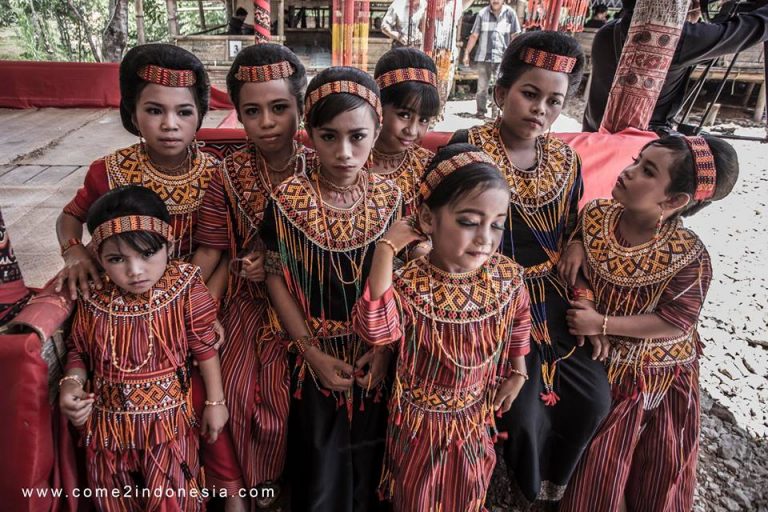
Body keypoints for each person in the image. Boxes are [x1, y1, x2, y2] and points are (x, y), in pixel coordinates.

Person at [54, 42, 244, 506]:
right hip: (120, 296)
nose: (169, 124)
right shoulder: (110, 171)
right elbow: (69, 217)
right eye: (154, 110)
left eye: (184, 112)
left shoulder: (216, 174)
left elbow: (211, 252)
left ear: (201, 114)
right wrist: (74, 251)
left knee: (211, 392)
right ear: (131, 112)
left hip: (195, 295)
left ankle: (233, 492)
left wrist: (192, 308)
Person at [450, 31, 611, 507]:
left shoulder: (565, 158)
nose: (540, 108)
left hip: (551, 293)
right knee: (520, 411)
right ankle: (517, 486)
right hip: (484, 293)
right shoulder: (468, 148)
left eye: (554, 101)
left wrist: (583, 285)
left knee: (592, 396)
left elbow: (570, 229)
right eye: (529, 93)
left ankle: (552, 488)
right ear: (501, 94)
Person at [559, 134, 739, 511]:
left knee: (646, 471)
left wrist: (603, 324)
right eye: (637, 159)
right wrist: (585, 292)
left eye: (647, 171)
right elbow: (575, 248)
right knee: (599, 469)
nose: (629, 171)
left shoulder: (689, 259)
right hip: (603, 354)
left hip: (652, 375)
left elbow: (675, 321)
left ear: (673, 201)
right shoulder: (597, 215)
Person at [353, 143, 532, 512]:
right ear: (429, 219)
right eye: (468, 222)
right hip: (420, 423)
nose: (485, 237)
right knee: (417, 495)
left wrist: (519, 371)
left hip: (474, 415)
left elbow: (519, 321)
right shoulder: (408, 285)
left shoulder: (506, 276)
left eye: (496, 224)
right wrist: (386, 249)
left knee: (470, 490)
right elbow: (376, 329)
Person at [262, 67, 401, 511]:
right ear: (308, 135)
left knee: (370, 457)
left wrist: (381, 350)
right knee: (320, 463)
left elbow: (398, 284)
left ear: (377, 131)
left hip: (374, 350)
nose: (343, 152)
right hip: (314, 349)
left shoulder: (392, 198)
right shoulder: (288, 200)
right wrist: (311, 353)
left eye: (357, 136)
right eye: (328, 137)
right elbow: (273, 276)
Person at [58, 186, 229, 511]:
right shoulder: (94, 295)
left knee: (174, 501)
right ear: (98, 257)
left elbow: (205, 346)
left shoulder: (184, 286)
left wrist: (215, 401)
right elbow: (78, 351)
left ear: (170, 245)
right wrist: (71, 385)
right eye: (117, 259)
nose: (135, 271)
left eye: (148, 254)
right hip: (107, 429)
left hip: (169, 428)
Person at [192, 43, 309, 509]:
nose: (267, 122)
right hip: (245, 300)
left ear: (301, 107)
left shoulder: (323, 163)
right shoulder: (228, 172)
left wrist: (284, 265)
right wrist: (196, 306)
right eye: (252, 110)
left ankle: (287, 487)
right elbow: (211, 251)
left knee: (288, 399)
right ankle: (256, 490)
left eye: (280, 108)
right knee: (240, 394)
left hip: (310, 301)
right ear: (237, 115)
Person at [583, 0, 768, 133]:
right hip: (637, 150)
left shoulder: (608, 30)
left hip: (595, 139)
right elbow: (753, 29)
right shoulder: (669, 38)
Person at [371, 47, 439, 218]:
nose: (413, 131)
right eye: (404, 115)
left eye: (424, 120)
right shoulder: (349, 161)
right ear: (378, 106)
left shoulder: (430, 168)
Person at [462, 0, 521, 118]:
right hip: (484, 57)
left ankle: (496, 113)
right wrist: (466, 53)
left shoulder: (510, 14)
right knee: (482, 87)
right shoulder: (482, 13)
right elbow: (474, 35)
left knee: (499, 86)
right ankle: (480, 112)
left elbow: (515, 36)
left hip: (502, 57)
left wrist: (514, 55)